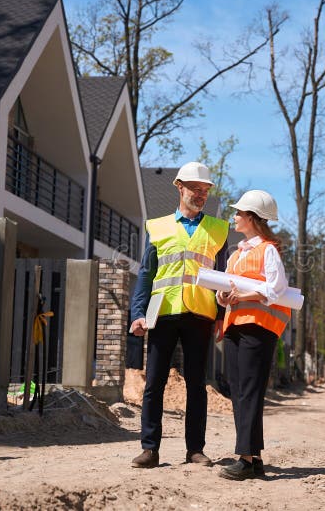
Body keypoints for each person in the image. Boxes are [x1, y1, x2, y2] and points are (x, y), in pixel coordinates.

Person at [128, 161, 229, 469]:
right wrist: (137, 313)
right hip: (163, 313)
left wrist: (222, 316)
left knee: (196, 384)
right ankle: (150, 449)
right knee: (154, 383)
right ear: (179, 187)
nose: (200, 195)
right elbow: (146, 275)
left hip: (200, 314)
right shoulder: (156, 227)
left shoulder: (217, 229)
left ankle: (195, 450)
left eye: (205, 190)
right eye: (195, 189)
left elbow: (224, 277)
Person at [215, 190, 291, 480]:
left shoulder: (268, 249)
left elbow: (277, 288)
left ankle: (244, 460)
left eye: (238, 213)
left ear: (251, 217)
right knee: (239, 391)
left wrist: (244, 295)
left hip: (258, 329)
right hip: (235, 325)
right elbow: (228, 287)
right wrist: (224, 298)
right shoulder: (236, 253)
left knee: (249, 391)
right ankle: (255, 458)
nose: (234, 217)